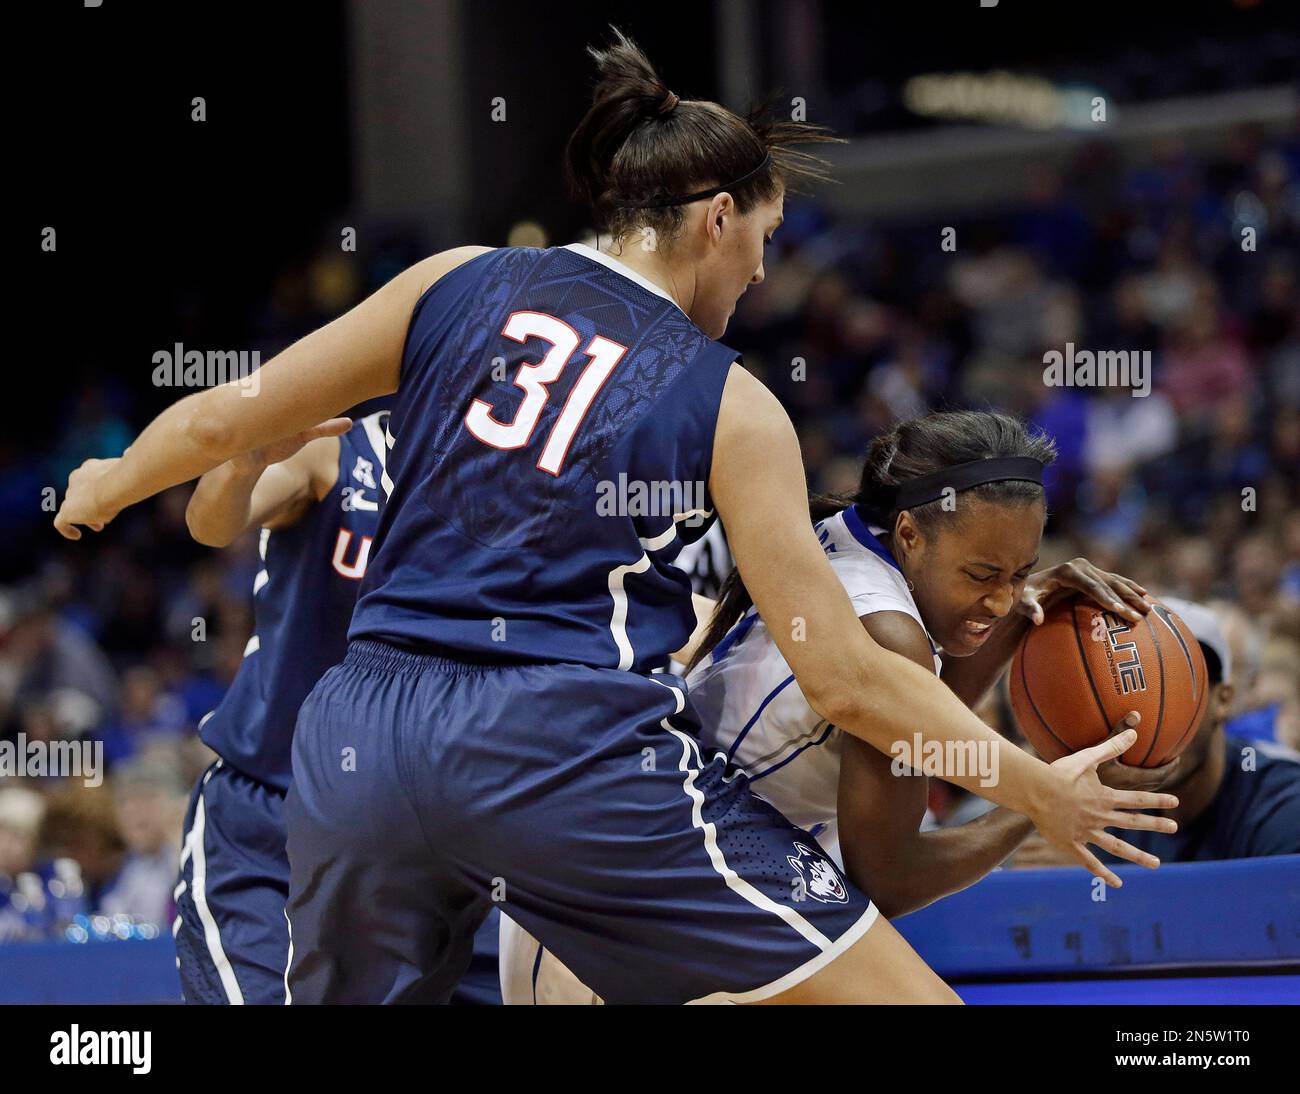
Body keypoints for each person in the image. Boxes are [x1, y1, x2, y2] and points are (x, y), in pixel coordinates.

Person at [55, 32, 1175, 1004]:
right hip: (558, 745)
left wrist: (108, 484)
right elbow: (838, 671)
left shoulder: (455, 278)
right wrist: (1031, 784)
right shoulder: (728, 396)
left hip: (360, 742)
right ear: (717, 219)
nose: (760, 273)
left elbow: (226, 419)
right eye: (765, 242)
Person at [499, 410, 1175, 1003]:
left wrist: (1020, 622)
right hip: (646, 909)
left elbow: (914, 727)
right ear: (911, 534)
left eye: (1021, 572)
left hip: (641, 871)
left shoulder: (842, 532)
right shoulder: (889, 632)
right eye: (983, 575)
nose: (1003, 599)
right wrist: (1038, 803)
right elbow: (890, 877)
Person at [172, 411, 500, 1004]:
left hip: (435, 836)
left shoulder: (512, 473)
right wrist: (245, 461)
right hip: (271, 812)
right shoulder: (334, 451)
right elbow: (212, 523)